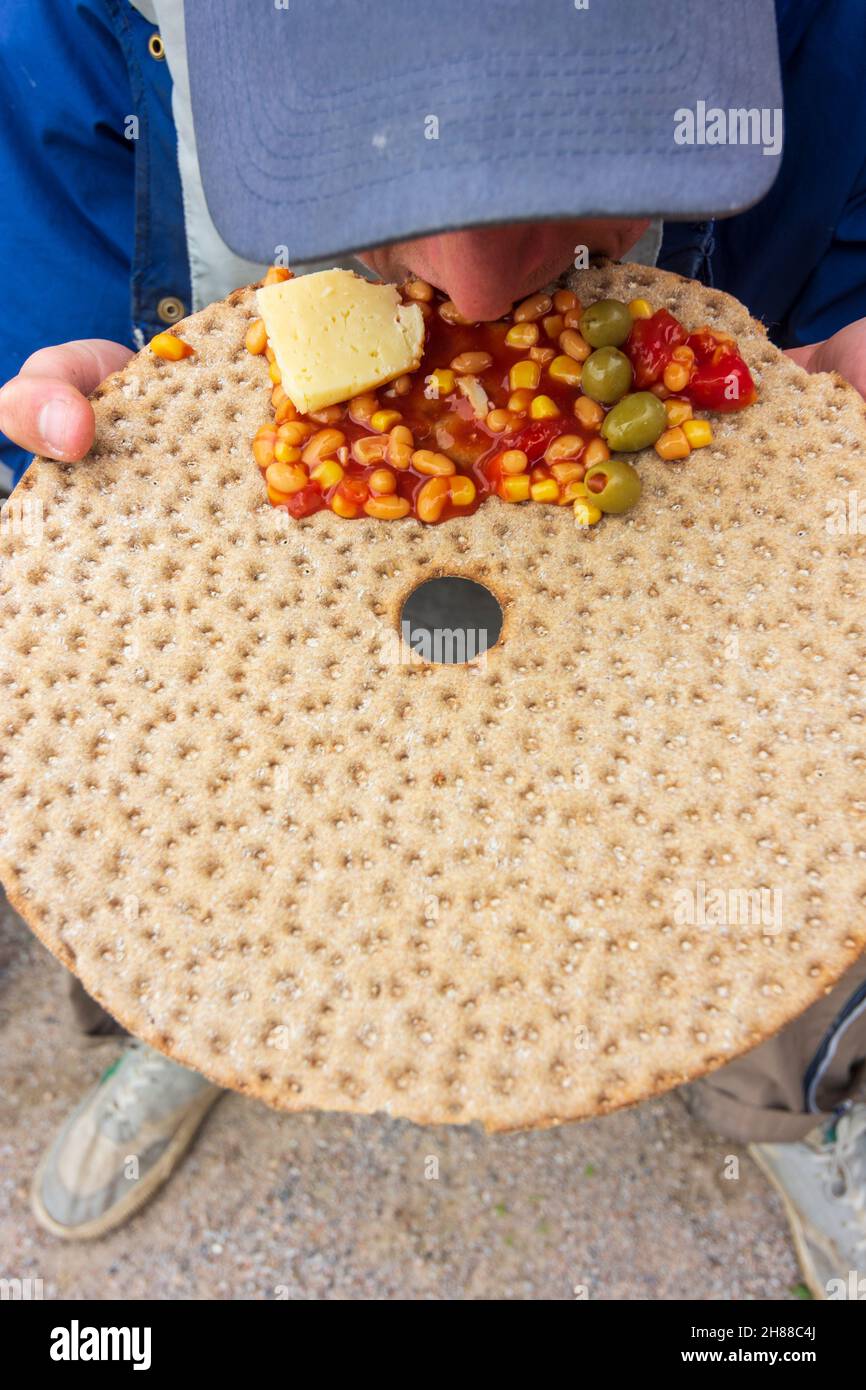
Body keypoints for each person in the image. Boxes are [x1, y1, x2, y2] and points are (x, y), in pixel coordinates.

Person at [1, 0, 864, 1294]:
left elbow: (838, 238)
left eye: (579, 151)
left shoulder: (817, 27)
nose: (474, 288)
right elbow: (43, 297)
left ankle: (790, 1104)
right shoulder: (71, 27)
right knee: (186, 862)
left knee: (756, 875)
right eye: (362, 160)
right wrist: (60, 438)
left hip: (690, 615)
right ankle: (203, 1012)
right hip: (267, 630)